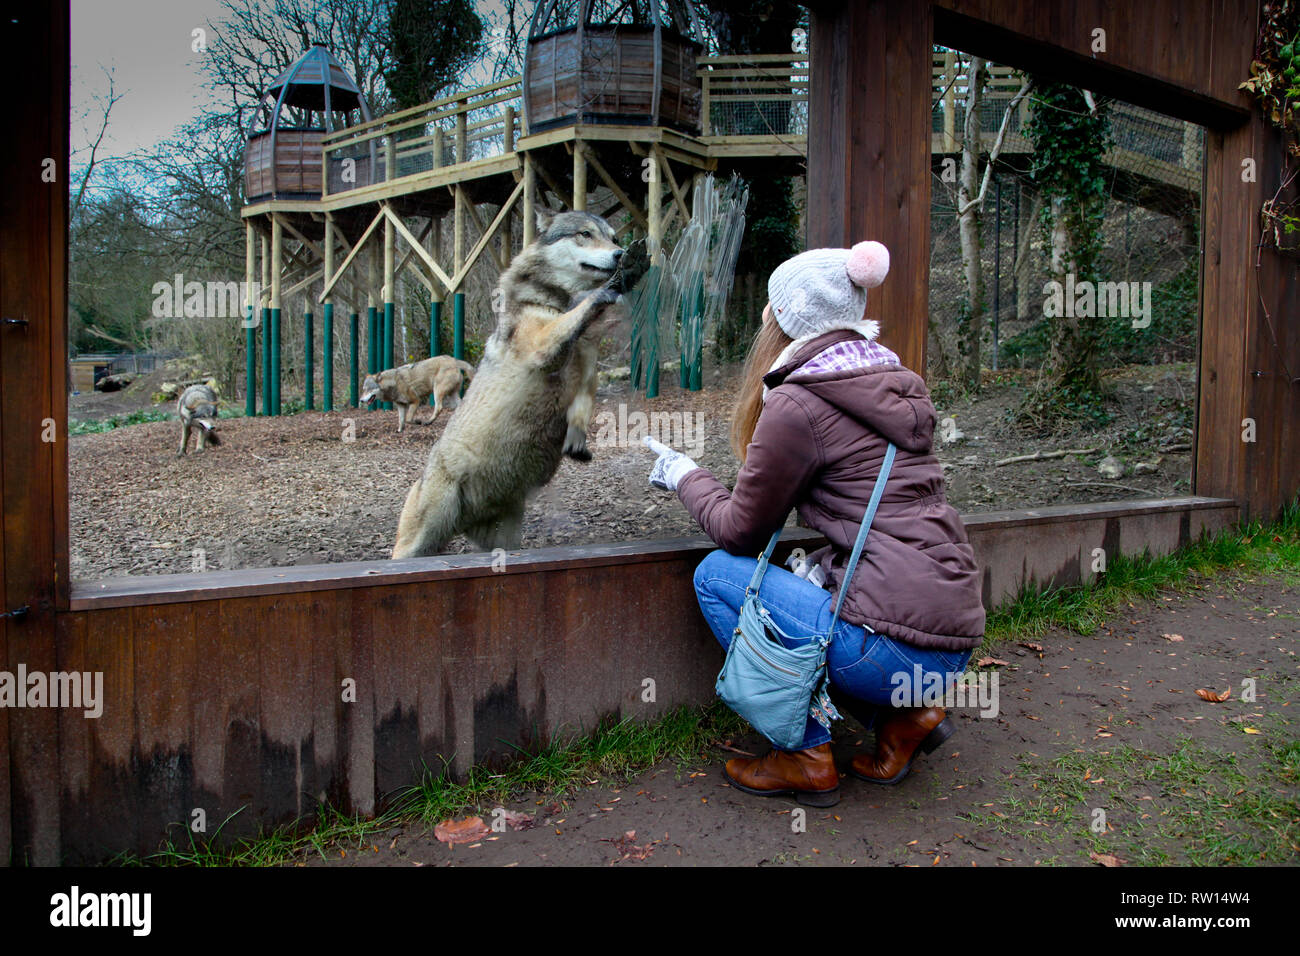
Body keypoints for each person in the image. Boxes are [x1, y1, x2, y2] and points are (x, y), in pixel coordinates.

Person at [644, 240, 985, 807]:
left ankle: (804, 754)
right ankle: (908, 717)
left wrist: (684, 475)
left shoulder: (800, 401)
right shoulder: (898, 382)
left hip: (889, 649)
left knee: (717, 575)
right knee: (822, 588)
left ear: (781, 319)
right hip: (950, 644)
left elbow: (740, 533)